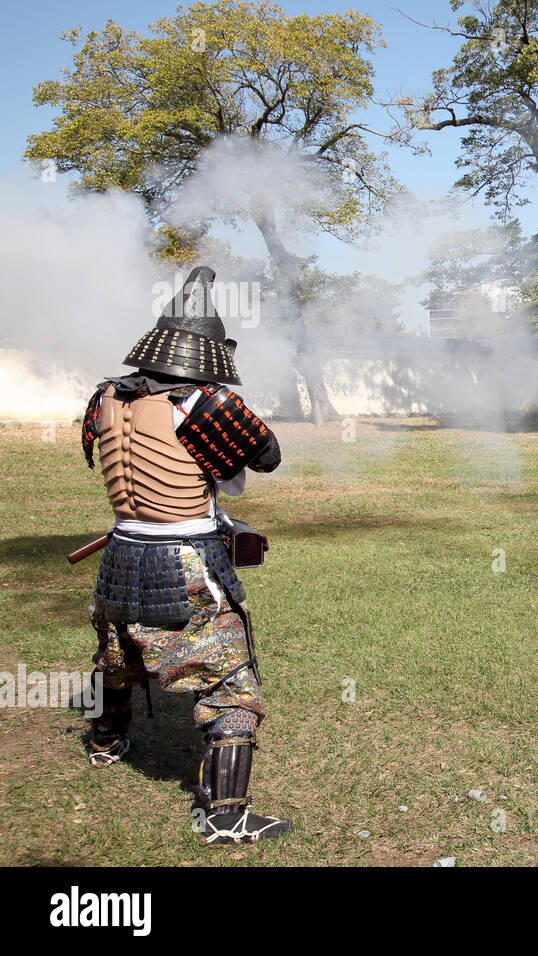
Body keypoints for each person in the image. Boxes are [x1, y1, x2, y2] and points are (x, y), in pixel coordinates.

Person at [80, 267, 291, 844]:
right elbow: (267, 455)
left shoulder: (104, 396)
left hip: (121, 552)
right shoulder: (200, 402)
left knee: (119, 656)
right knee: (231, 686)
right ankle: (225, 817)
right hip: (185, 558)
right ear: (206, 353)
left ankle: (104, 740)